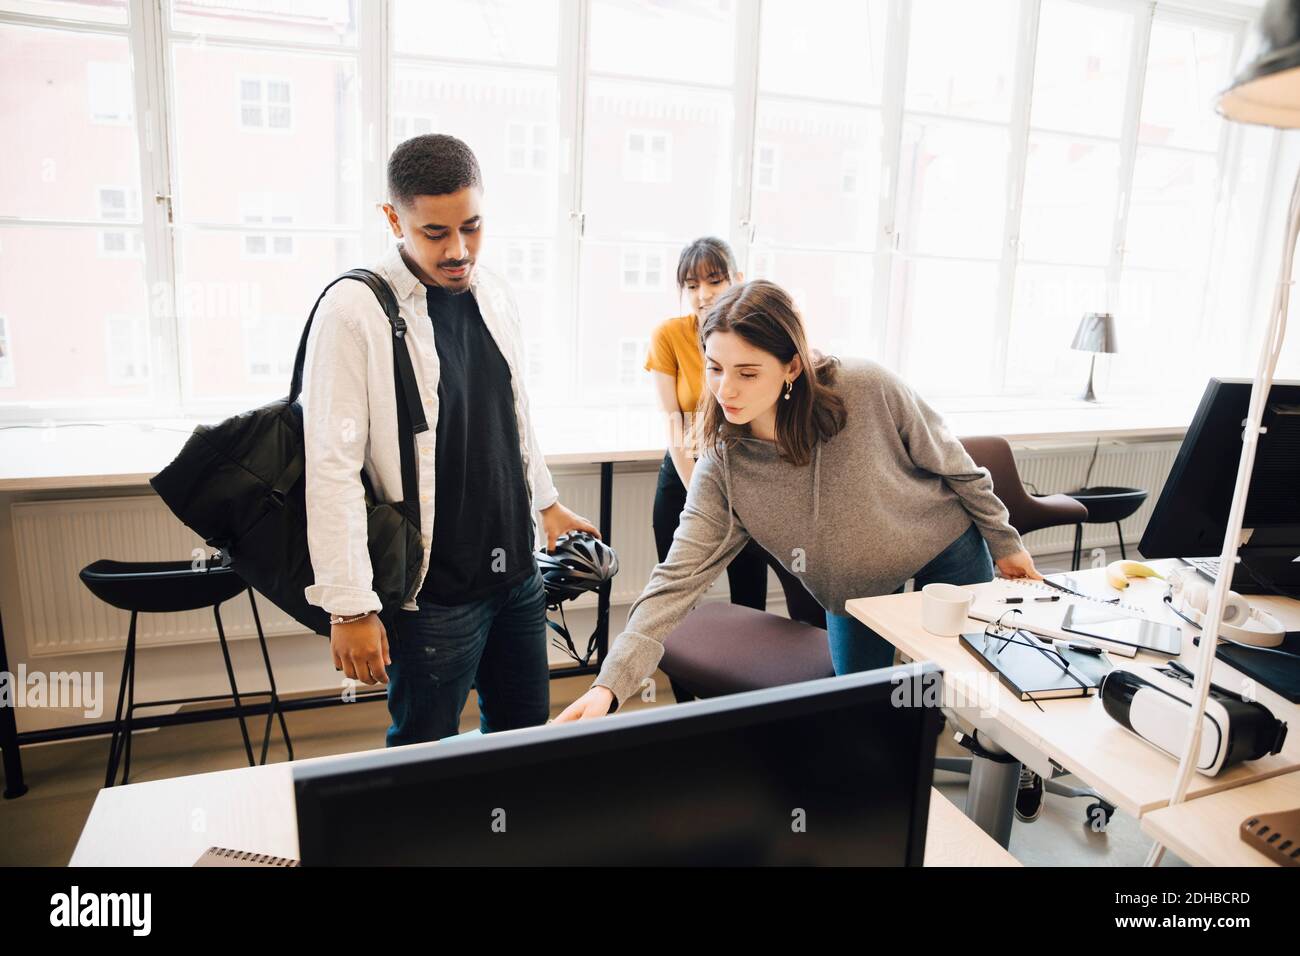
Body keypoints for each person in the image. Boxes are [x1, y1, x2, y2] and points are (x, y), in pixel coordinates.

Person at [301, 134, 596, 746]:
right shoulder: (353, 312)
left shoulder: (494, 292)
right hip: (434, 594)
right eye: (435, 233)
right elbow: (330, 468)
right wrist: (350, 606)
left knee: (521, 742)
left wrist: (545, 502)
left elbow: (513, 414)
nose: (459, 250)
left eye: (473, 227)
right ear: (392, 218)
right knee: (422, 757)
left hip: (517, 576)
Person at [647, 238, 825, 639]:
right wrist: (699, 489)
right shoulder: (669, 336)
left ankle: (754, 695)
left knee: (749, 596)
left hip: (744, 476)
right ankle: (688, 701)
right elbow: (673, 419)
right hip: (685, 475)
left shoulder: (760, 337)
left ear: (737, 280)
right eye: (691, 285)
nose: (702, 294)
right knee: (676, 601)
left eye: (713, 280)